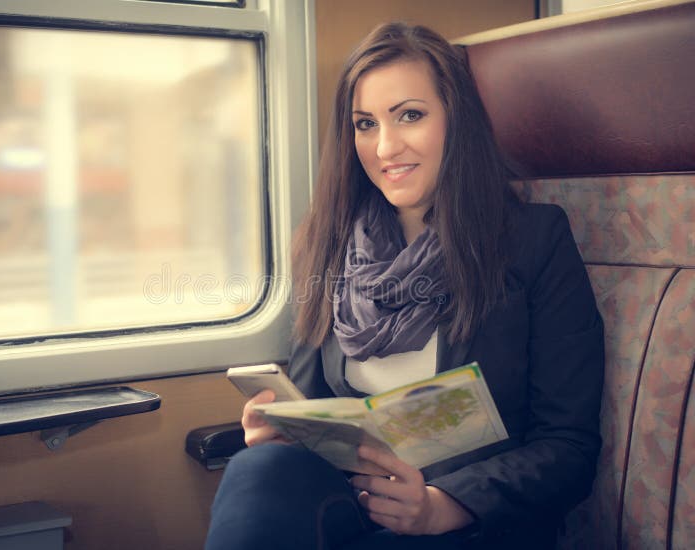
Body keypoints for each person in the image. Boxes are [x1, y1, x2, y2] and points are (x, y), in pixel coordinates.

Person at [205, 22, 604, 550]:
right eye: (365, 124)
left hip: (471, 523)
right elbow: (316, 405)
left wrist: (446, 505)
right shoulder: (328, 243)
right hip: (356, 501)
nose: (385, 146)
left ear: (455, 122)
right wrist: (282, 434)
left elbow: (568, 445)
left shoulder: (534, 240)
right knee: (261, 468)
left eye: (410, 116)